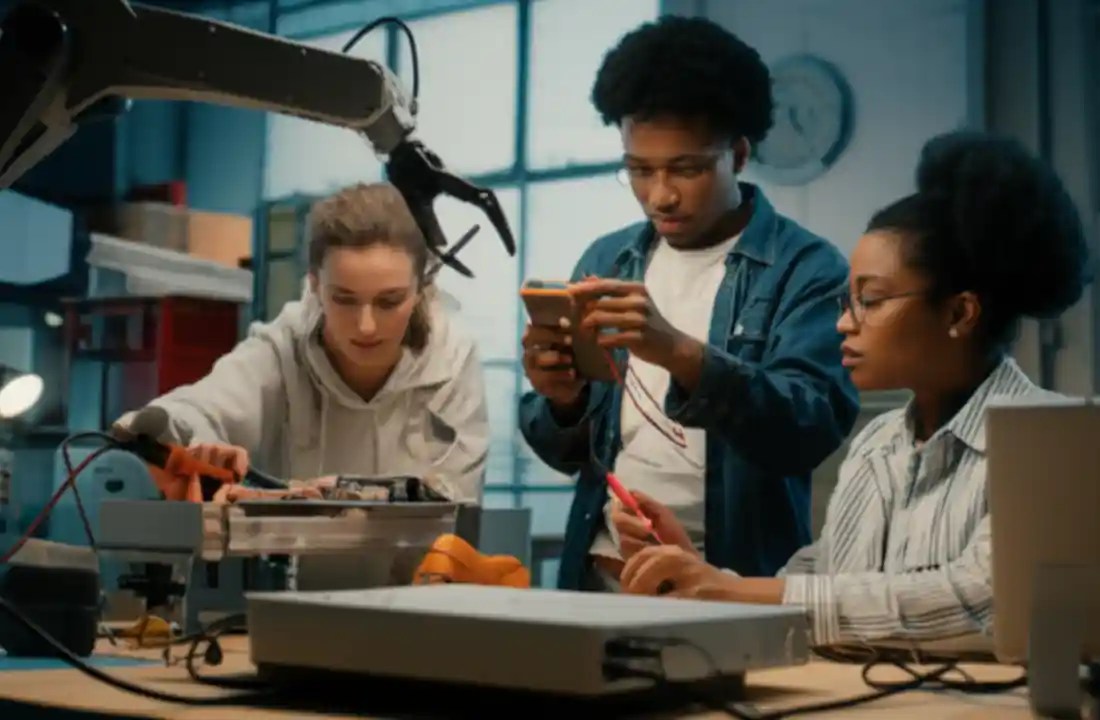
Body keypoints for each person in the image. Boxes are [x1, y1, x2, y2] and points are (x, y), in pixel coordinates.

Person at [613, 130, 1091, 647]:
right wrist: (701, 574)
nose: (844, 323)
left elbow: (981, 596)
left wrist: (729, 593)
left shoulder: (1049, 440)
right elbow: (824, 576)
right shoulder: (877, 441)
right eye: (848, 300)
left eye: (872, 300)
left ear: (959, 312)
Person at [518, 16, 859, 591]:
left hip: (732, 581)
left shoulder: (807, 268)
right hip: (600, 575)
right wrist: (563, 402)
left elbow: (808, 430)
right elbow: (573, 454)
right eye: (639, 170)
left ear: (740, 154)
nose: (660, 194)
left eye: (688, 168)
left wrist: (678, 352)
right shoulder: (609, 258)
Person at [116, 182, 489, 504]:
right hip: (290, 584)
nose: (366, 325)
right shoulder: (284, 348)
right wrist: (197, 446)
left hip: (420, 583)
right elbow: (194, 410)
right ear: (314, 285)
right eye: (343, 299)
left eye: (389, 301)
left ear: (422, 290)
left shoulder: (452, 359)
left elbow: (457, 496)